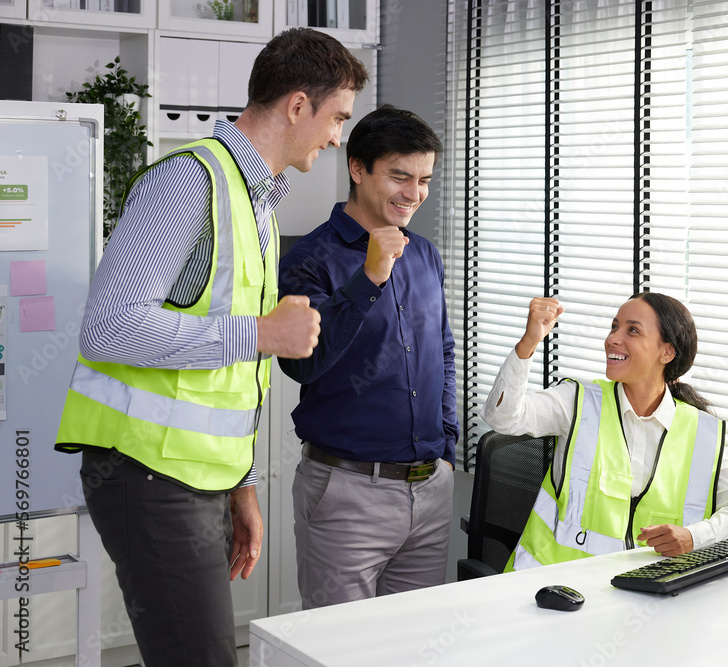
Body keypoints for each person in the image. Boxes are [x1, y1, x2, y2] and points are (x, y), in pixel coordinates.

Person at [54, 28, 368, 666]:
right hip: (146, 474)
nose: (338, 136)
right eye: (337, 117)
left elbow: (227, 382)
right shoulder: (187, 183)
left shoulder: (255, 199)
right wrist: (259, 333)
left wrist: (241, 484)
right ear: (298, 106)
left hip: (196, 476)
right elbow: (108, 327)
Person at [278, 105, 457, 609]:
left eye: (423, 180)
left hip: (429, 487)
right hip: (347, 490)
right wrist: (370, 278)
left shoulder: (423, 253)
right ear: (358, 169)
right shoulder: (309, 260)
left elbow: (441, 349)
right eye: (400, 176)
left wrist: (445, 442)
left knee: (410, 644)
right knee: (338, 649)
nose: (414, 194)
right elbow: (302, 363)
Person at [482, 293, 728, 571]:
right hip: (551, 589)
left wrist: (694, 537)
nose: (612, 339)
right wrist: (529, 342)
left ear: (667, 352)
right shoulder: (577, 402)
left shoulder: (700, 432)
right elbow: (502, 418)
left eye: (632, 330)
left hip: (644, 594)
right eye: (614, 327)